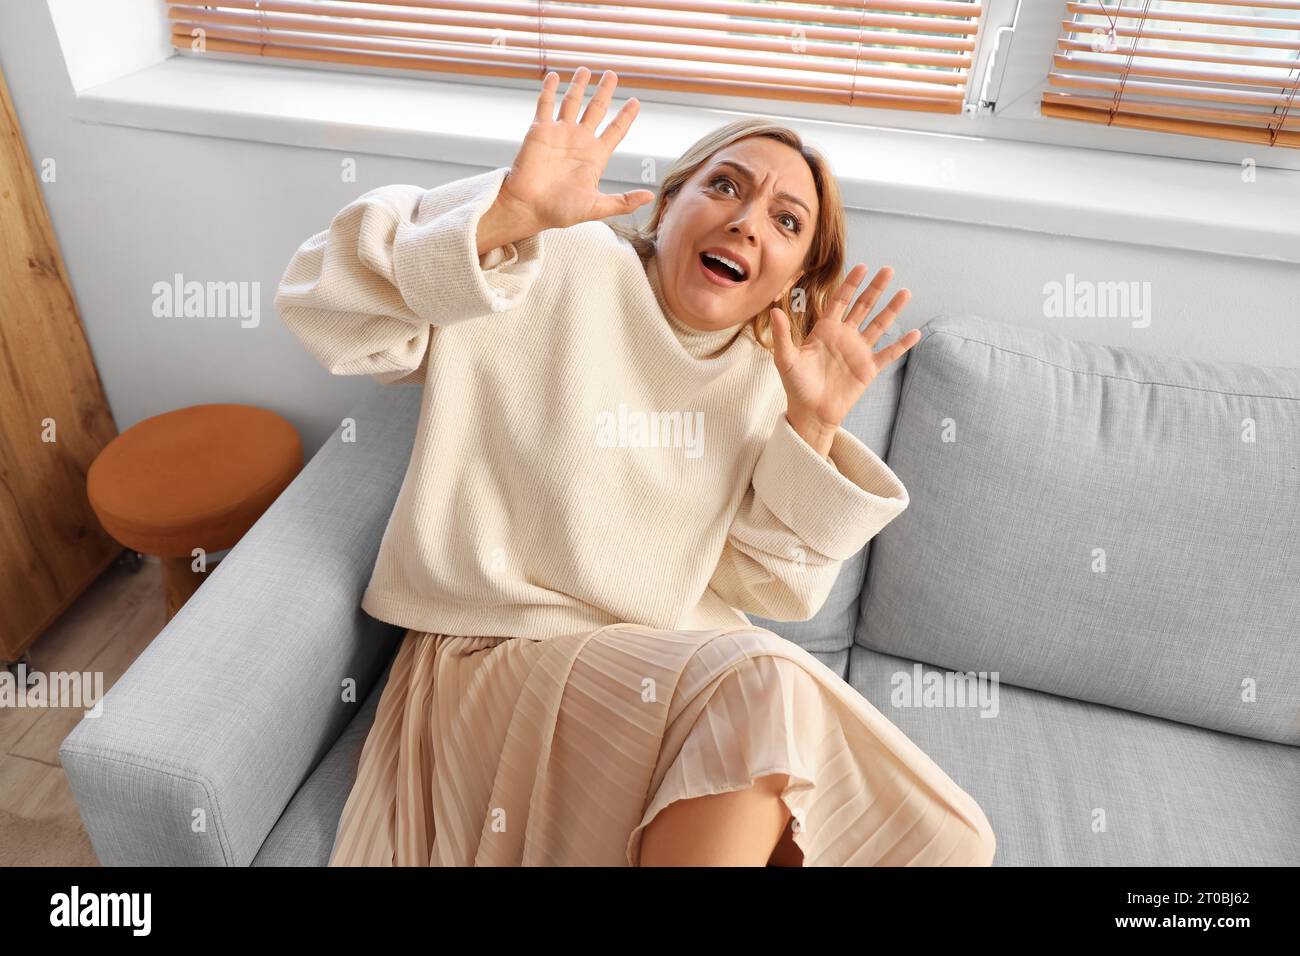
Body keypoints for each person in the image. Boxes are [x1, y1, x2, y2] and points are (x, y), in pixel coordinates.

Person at [274, 66, 997, 867]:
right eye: (726, 186)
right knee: (764, 685)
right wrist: (504, 219)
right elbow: (321, 302)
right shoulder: (556, 261)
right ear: (669, 203)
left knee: (954, 837)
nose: (749, 223)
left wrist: (814, 425)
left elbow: (771, 590)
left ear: (794, 280)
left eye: (787, 222)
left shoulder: (770, 372)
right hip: (494, 656)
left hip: (653, 674)